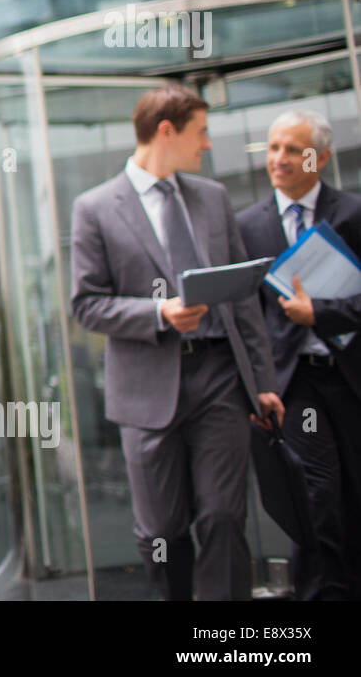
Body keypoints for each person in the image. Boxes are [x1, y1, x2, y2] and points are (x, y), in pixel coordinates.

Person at [69, 85, 283, 600]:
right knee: (162, 531)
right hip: (146, 389)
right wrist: (159, 312)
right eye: (201, 132)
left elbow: (243, 301)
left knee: (224, 517)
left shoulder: (211, 197)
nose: (206, 145)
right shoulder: (95, 208)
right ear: (166, 131)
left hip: (219, 379)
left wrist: (264, 384)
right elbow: (86, 304)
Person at [235, 109, 361, 600]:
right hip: (296, 385)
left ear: (321, 157)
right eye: (272, 148)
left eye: (292, 149)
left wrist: (322, 313)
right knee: (316, 493)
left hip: (349, 375)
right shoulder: (247, 226)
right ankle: (319, 594)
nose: (279, 159)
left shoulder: (352, 214)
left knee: (352, 490)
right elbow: (244, 317)